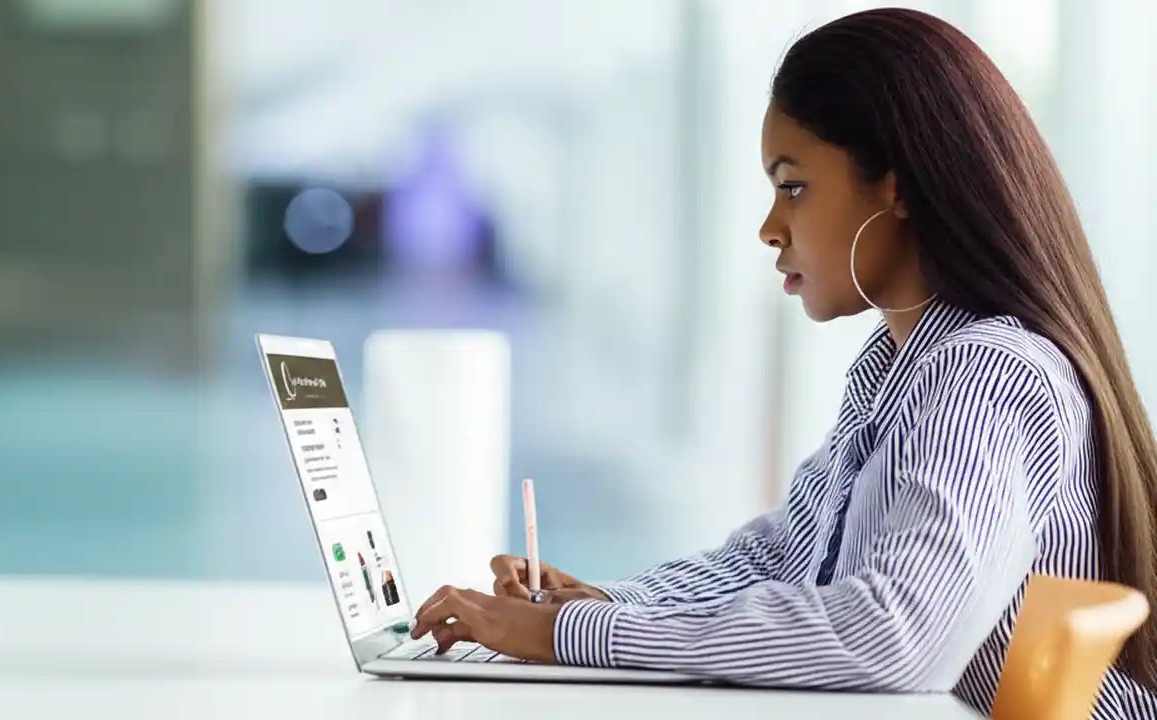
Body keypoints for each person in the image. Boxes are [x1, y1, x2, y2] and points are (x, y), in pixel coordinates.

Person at [410, 8, 1157, 718]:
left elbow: (894, 636)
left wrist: (556, 638)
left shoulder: (987, 373)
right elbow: (779, 561)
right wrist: (597, 606)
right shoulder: (897, 368)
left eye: (793, 186)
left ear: (894, 184)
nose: (770, 228)